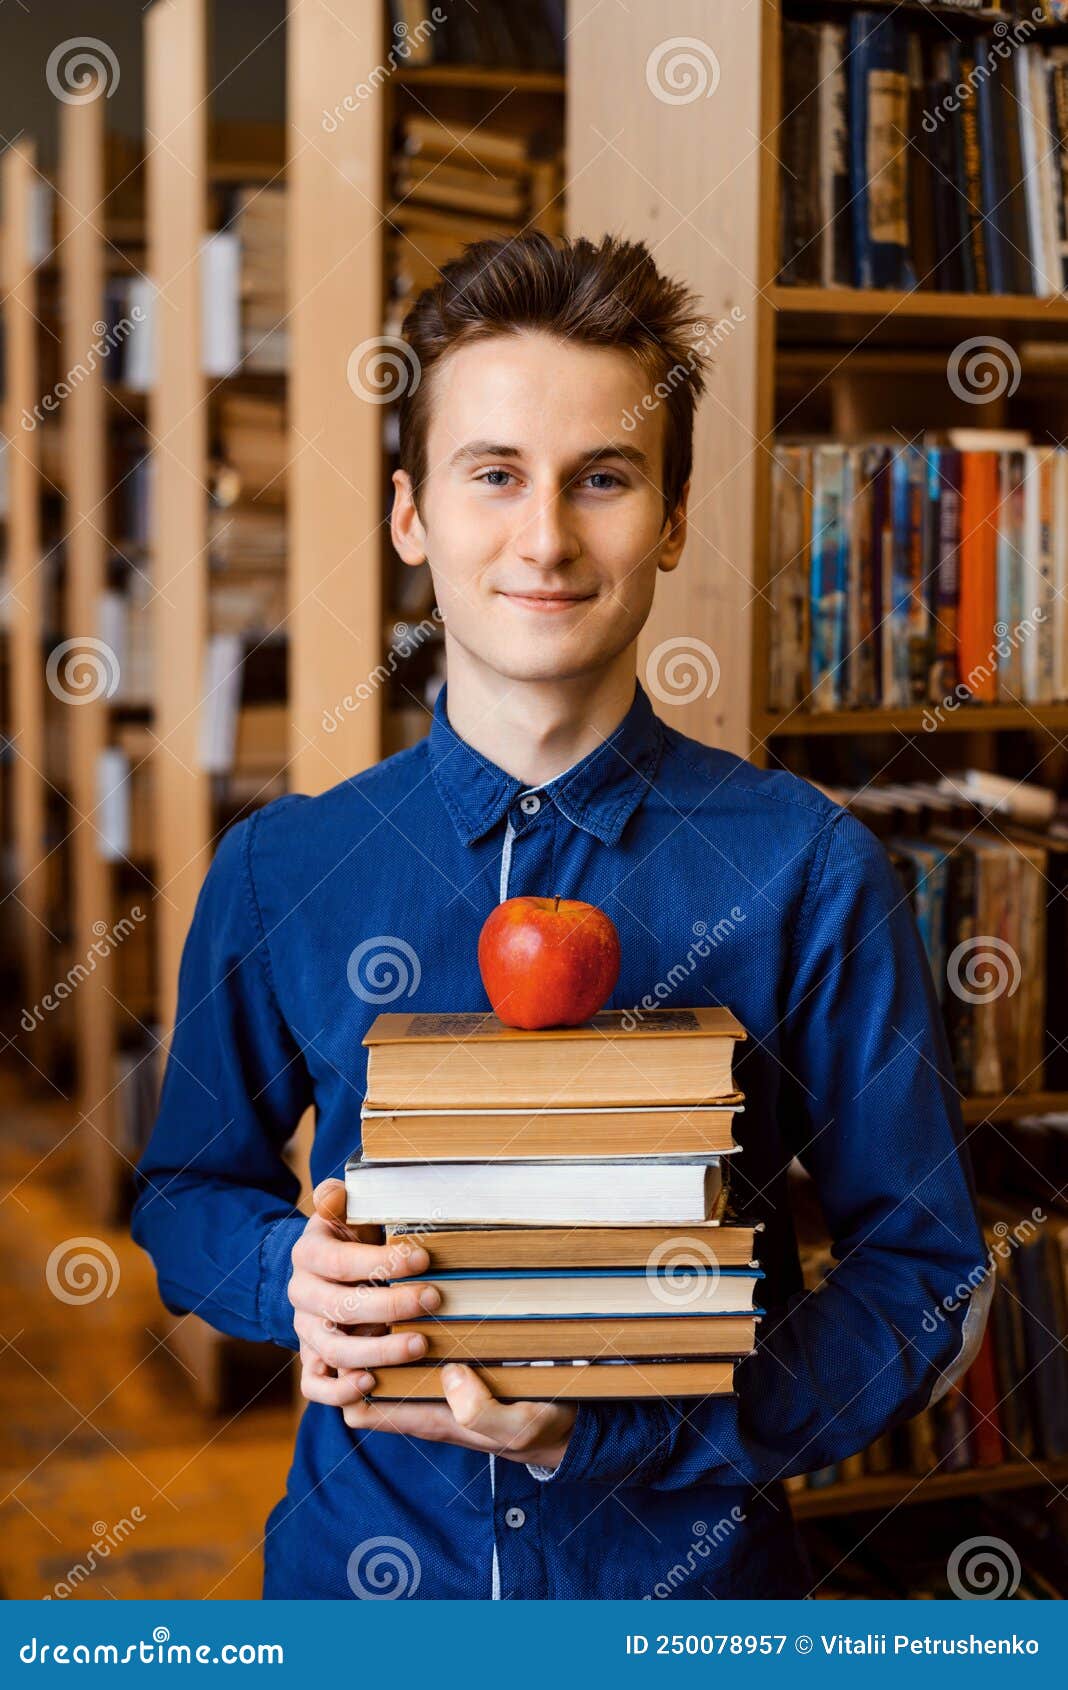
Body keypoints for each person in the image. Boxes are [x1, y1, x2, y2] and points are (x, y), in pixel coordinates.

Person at [131, 231, 992, 1600]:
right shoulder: (282, 866)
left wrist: (651, 1433)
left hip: (687, 1594)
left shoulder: (809, 865)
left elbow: (929, 1268)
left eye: (602, 477)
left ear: (673, 515)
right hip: (365, 1589)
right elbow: (184, 1191)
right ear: (411, 513)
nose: (544, 537)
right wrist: (280, 1272)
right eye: (494, 475)